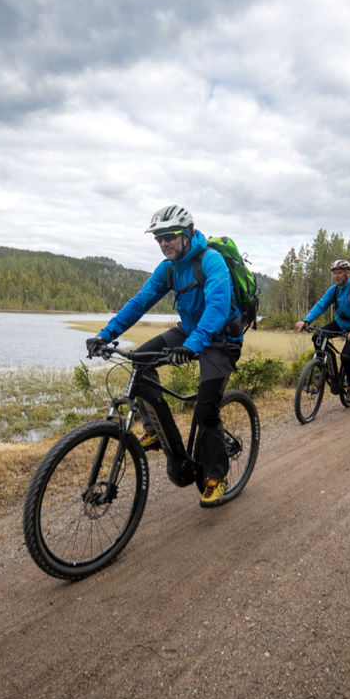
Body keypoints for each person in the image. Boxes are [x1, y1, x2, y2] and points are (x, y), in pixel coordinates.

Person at [86, 205, 244, 507]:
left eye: (169, 236)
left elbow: (218, 308)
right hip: (191, 332)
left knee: (206, 407)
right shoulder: (168, 269)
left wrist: (195, 344)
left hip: (222, 337)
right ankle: (155, 430)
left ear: (188, 233)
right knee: (141, 360)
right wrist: (106, 334)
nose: (163, 243)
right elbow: (140, 301)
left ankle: (215, 476)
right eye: (158, 237)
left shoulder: (211, 261)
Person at [294, 259, 350, 393]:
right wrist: (306, 321)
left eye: (339, 273)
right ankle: (329, 371)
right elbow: (321, 304)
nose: (336, 276)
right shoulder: (334, 290)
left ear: (347, 273)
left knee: (346, 356)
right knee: (317, 337)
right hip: (340, 322)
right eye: (335, 273)